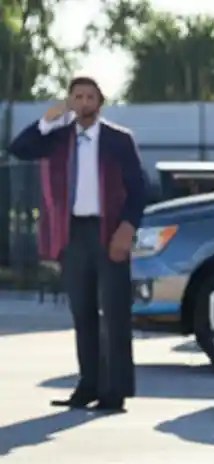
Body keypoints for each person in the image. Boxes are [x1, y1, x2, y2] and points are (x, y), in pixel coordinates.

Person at [7, 76, 147, 414]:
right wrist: (50, 117)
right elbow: (19, 148)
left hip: (108, 231)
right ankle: (87, 386)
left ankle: (114, 393)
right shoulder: (58, 139)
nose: (84, 102)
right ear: (70, 101)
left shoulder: (119, 140)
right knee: (82, 312)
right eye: (77, 97)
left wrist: (126, 229)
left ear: (100, 101)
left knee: (114, 313)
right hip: (72, 234)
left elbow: (139, 189)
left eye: (90, 97)